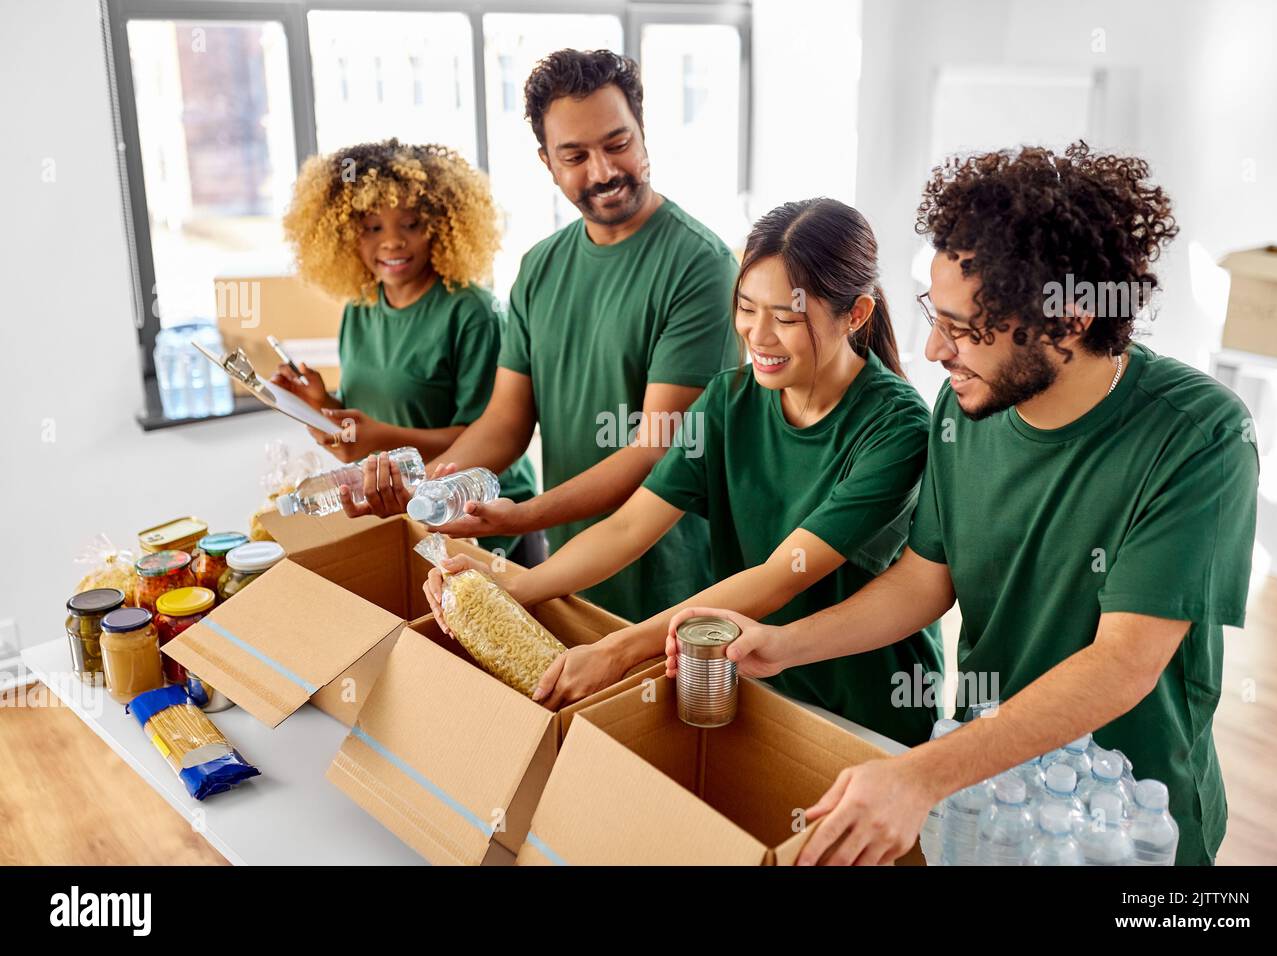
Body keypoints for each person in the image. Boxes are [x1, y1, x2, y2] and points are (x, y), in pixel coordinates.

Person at [668, 142, 1258, 865]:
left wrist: (919, 774)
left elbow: (1123, 663)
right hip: (987, 792)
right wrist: (783, 642)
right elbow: (924, 578)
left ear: (1069, 320)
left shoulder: (1199, 437)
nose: (934, 349)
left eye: (966, 328)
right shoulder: (962, 408)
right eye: (932, 314)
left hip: (1125, 817)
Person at [424, 198, 943, 745]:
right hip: (756, 685)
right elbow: (629, 527)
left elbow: (776, 579)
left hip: (866, 711)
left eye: (786, 318)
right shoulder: (728, 400)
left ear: (855, 314)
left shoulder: (897, 428)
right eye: (746, 308)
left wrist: (617, 650)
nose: (758, 336)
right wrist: (507, 593)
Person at [339, 51, 738, 622]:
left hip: (672, 577)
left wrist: (521, 517)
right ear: (547, 163)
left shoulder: (699, 266)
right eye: (575, 155)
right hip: (571, 563)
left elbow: (656, 449)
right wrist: (425, 487)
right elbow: (504, 424)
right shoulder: (540, 267)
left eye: (617, 143)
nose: (601, 171)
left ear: (644, 136)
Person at [275, 139, 539, 560]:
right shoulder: (361, 309)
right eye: (373, 227)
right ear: (345, 234)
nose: (393, 242)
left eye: (411, 224)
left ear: (440, 223)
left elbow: (491, 435)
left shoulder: (471, 311)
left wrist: (378, 440)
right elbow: (373, 414)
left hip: (478, 516)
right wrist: (322, 404)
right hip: (410, 509)